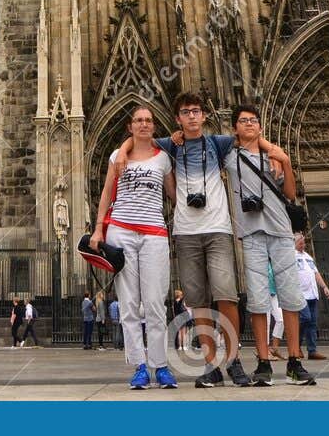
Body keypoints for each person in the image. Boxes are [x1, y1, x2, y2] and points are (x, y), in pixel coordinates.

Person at [121, 90, 286, 388]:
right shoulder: (169, 146)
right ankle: (211, 365)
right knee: (198, 303)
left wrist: (276, 152)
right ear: (178, 118)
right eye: (186, 112)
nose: (192, 116)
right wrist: (122, 151)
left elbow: (246, 137)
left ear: (204, 115)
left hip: (218, 230)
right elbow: (139, 139)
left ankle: (233, 360)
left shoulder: (218, 143)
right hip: (185, 234)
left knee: (227, 296)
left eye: (196, 111)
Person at [223, 106, 317, 386]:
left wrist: (285, 160)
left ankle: (294, 360)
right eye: (243, 121)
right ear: (235, 128)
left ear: (260, 126)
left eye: (253, 120)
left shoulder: (274, 155)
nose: (249, 124)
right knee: (258, 300)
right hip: (251, 233)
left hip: (281, 232)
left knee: (290, 298)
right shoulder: (231, 156)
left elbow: (290, 193)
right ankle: (263, 362)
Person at [89, 103, 178, 390]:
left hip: (154, 233)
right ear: (131, 126)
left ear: (153, 126)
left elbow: (175, 195)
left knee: (154, 302)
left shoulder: (163, 158)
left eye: (148, 120)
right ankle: (140, 366)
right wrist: (99, 228)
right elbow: (106, 193)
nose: (143, 124)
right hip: (121, 232)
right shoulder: (117, 156)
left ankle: (161, 366)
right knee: (128, 305)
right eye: (138, 120)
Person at [293, 233, 329, 361]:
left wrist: (324, 287)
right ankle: (295, 346)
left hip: (313, 293)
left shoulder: (308, 257)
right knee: (305, 318)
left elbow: (316, 273)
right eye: (301, 242)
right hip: (301, 293)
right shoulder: (291, 256)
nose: (303, 245)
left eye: (304, 242)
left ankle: (312, 350)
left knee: (313, 322)